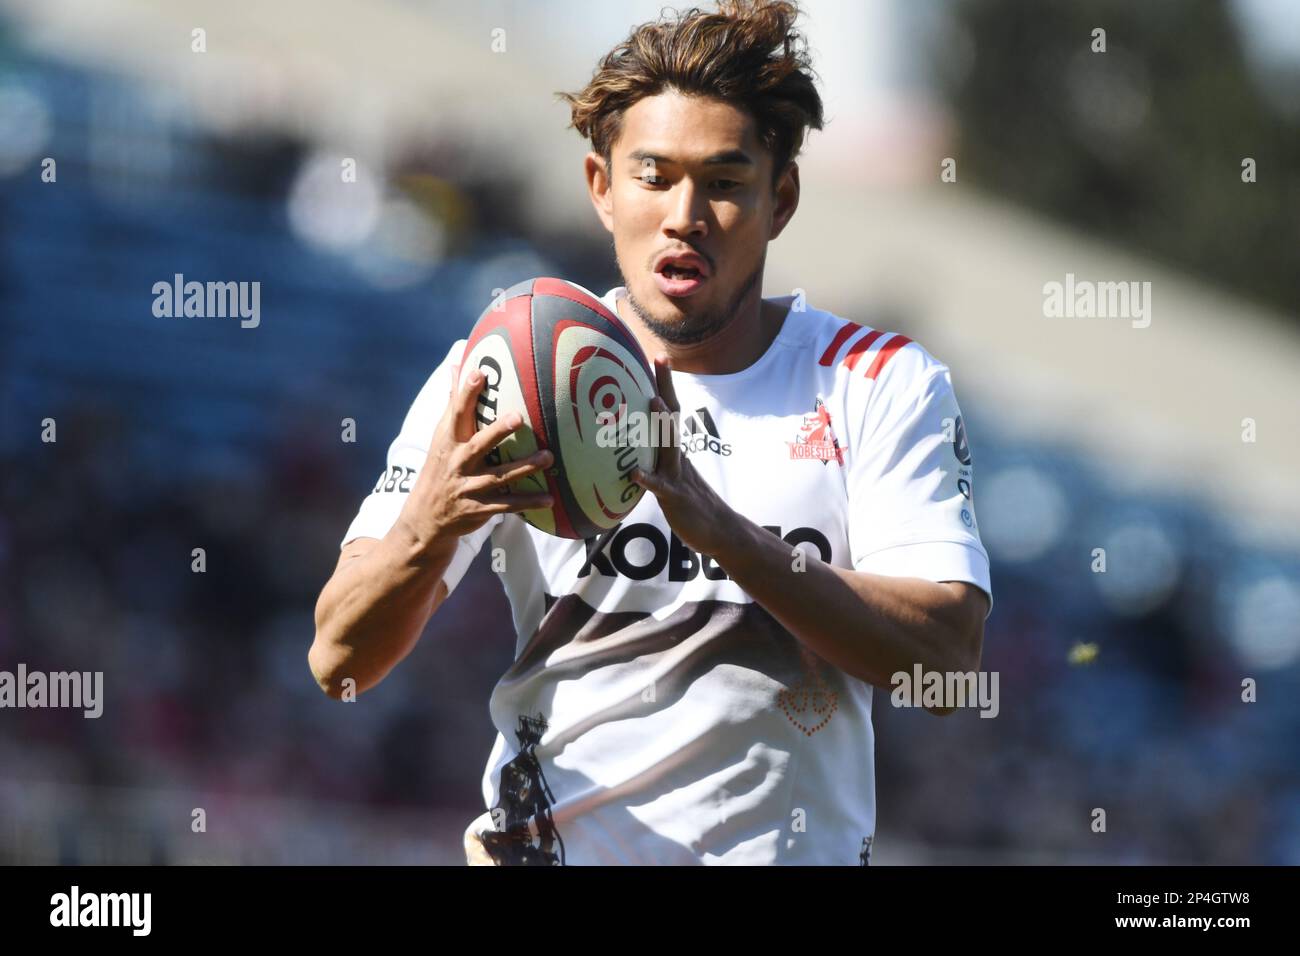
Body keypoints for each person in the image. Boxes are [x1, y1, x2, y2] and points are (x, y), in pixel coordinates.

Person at [310, 0, 992, 865]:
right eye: (654, 175)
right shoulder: (505, 368)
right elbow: (338, 662)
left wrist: (727, 536)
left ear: (780, 199)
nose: (685, 214)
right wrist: (428, 524)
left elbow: (947, 665)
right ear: (601, 188)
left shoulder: (877, 381)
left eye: (724, 181)